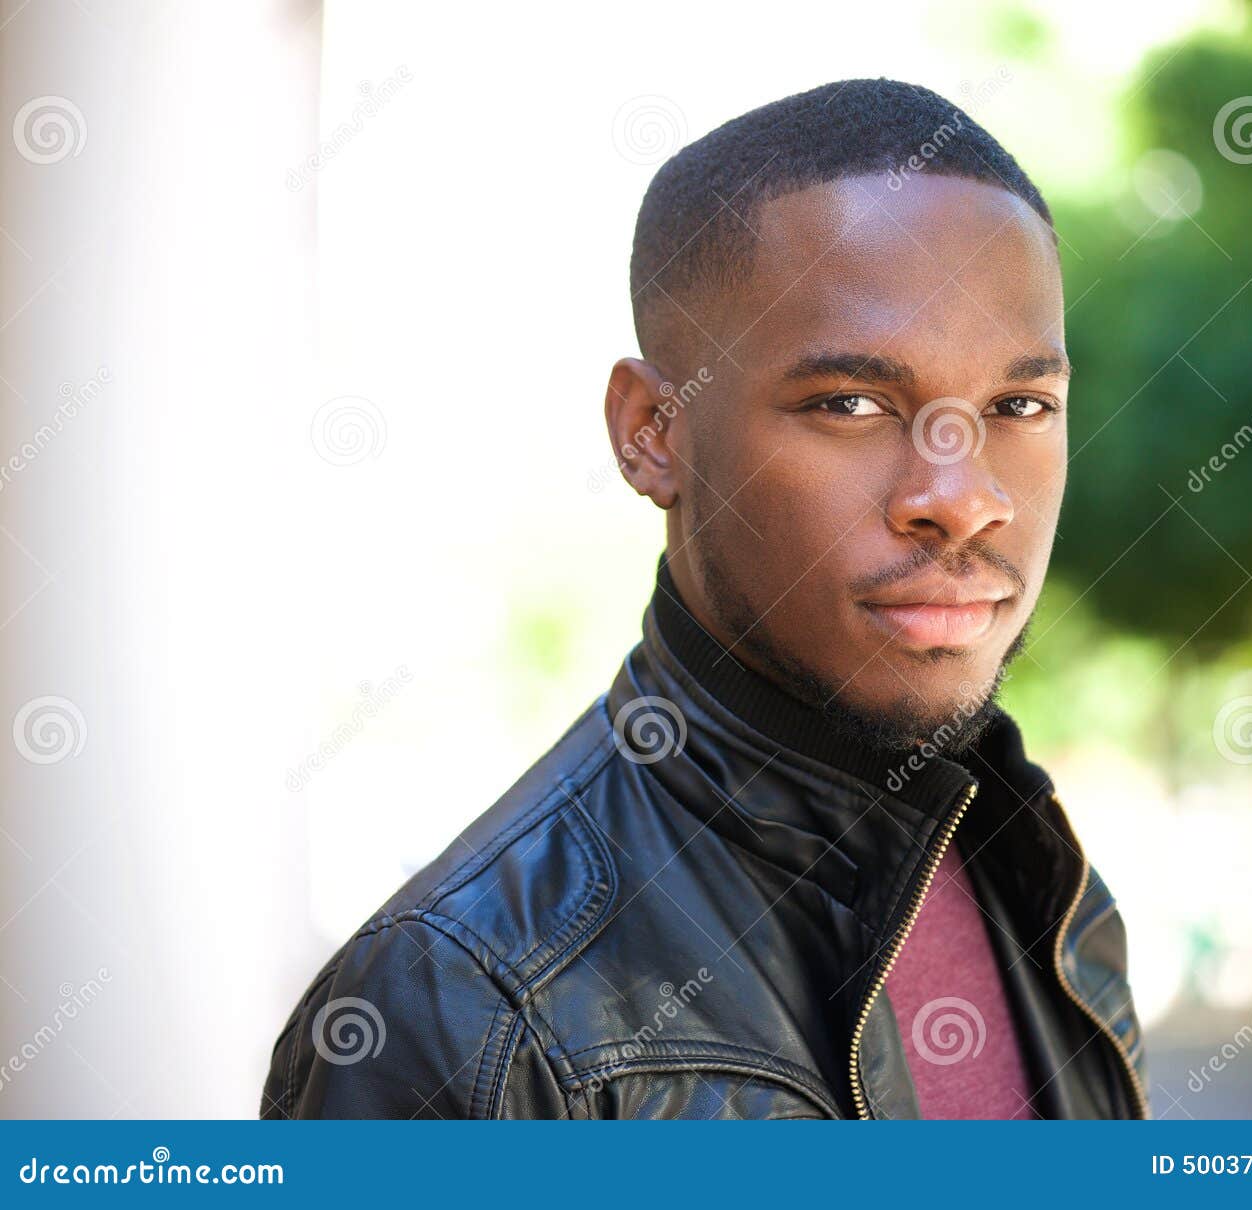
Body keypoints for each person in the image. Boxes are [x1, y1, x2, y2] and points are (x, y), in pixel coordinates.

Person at [262, 77, 1146, 1120]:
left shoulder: (1038, 875)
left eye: (1018, 404)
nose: (957, 501)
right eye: (850, 403)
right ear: (653, 430)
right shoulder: (462, 1006)